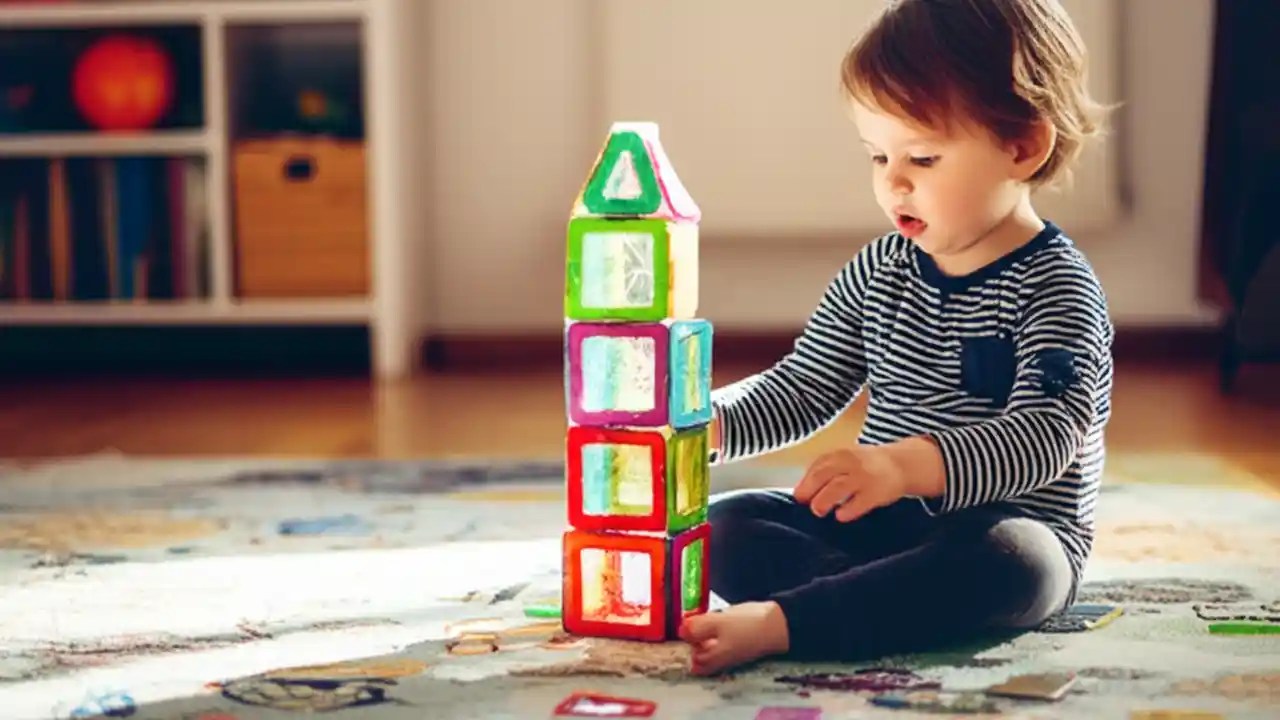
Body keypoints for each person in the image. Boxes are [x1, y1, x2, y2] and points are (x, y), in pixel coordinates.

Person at [678, 0, 1115, 676]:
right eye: (878, 155)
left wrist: (901, 467)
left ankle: (796, 621)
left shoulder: (1057, 286)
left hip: (1000, 529)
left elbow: (1047, 436)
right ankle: (872, 603)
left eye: (923, 157)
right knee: (726, 528)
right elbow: (805, 385)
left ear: (1021, 147)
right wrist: (708, 423)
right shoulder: (878, 271)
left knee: (1014, 565)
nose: (892, 180)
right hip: (879, 532)